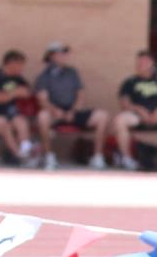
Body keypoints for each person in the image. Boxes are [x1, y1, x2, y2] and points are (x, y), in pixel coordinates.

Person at [33, 41, 106, 171]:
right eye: (60, 53)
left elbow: (81, 94)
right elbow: (42, 100)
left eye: (64, 53)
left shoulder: (72, 72)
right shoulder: (43, 76)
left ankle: (97, 157)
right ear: (51, 56)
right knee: (42, 117)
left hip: (73, 111)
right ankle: (49, 157)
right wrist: (55, 110)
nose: (63, 56)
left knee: (102, 116)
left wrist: (74, 111)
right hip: (55, 113)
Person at [0, 50, 37, 167]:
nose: (22, 68)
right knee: (4, 123)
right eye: (20, 64)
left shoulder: (17, 78)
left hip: (10, 114)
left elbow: (27, 92)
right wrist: (14, 93)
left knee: (21, 122)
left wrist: (17, 93)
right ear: (11, 63)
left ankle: (25, 151)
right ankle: (18, 155)